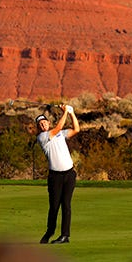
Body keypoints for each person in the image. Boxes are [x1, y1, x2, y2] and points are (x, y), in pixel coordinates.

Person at [35, 104, 79, 244]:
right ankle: (50, 231)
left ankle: (65, 236)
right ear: (39, 127)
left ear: (48, 122)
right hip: (55, 177)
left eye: (44, 122)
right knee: (54, 206)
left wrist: (71, 113)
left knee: (66, 205)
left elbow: (76, 129)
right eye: (40, 124)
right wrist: (65, 111)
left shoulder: (60, 133)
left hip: (69, 174)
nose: (43, 125)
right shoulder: (42, 137)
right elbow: (58, 127)